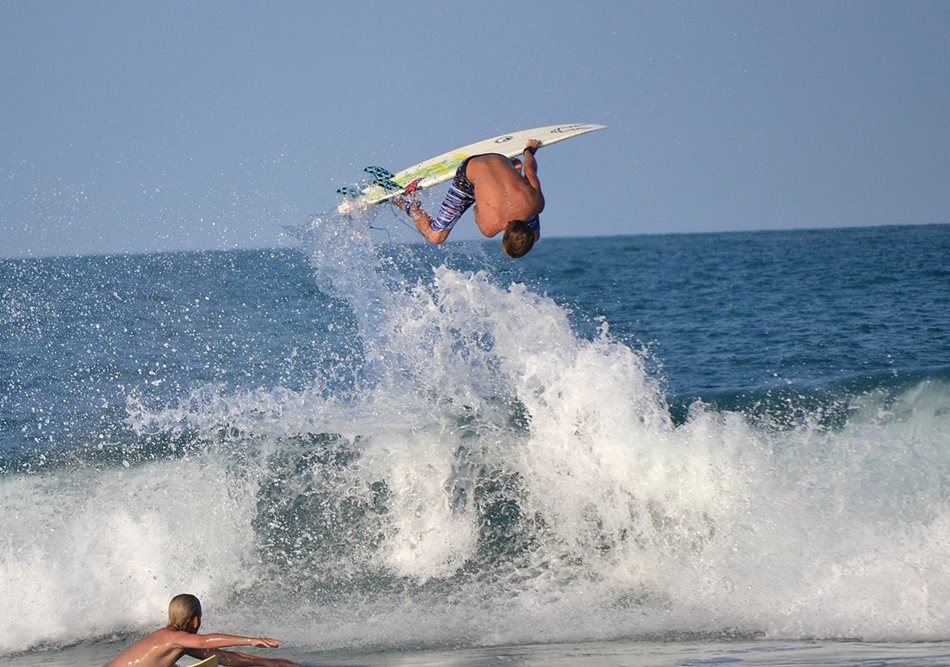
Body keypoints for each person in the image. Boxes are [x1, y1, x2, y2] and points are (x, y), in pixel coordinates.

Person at [394, 139, 545, 258]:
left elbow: (531, 170)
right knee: (434, 238)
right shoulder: (489, 228)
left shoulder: (537, 204)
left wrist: (529, 151)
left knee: (535, 227)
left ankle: (513, 170)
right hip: (466, 176)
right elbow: (476, 208)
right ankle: (406, 204)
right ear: (504, 235)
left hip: (499, 158)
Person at [104, 594, 299, 667]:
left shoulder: (172, 641)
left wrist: (268, 663)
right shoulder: (172, 637)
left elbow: (225, 658)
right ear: (195, 620)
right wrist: (251, 640)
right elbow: (205, 642)